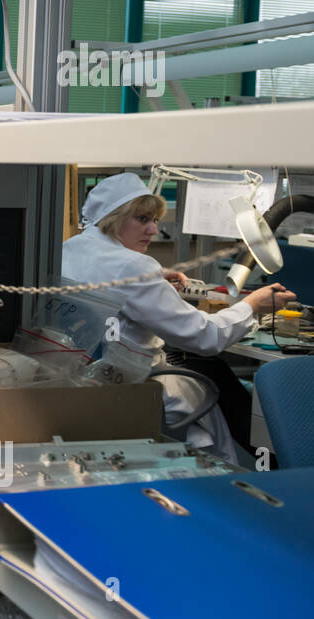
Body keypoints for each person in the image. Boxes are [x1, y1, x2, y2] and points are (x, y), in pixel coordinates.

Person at [61, 172, 295, 464]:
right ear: (113, 217)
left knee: (210, 369)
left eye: (155, 220)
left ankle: (272, 461)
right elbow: (205, 337)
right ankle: (273, 464)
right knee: (214, 370)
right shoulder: (134, 265)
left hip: (80, 373)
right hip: (134, 380)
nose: (153, 230)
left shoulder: (72, 247)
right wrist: (251, 305)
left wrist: (156, 278)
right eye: (142, 219)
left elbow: (110, 276)